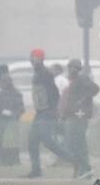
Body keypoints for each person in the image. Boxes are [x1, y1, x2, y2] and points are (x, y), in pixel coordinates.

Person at [26, 49, 73, 177]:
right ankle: (36, 170)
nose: (31, 60)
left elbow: (54, 93)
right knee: (32, 141)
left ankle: (74, 160)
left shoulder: (45, 74)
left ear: (40, 59)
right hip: (40, 112)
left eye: (34, 57)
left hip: (46, 112)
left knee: (47, 140)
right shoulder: (37, 73)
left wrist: (53, 110)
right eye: (31, 57)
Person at [60, 59, 98, 179]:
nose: (73, 69)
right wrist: (64, 115)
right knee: (74, 144)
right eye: (71, 67)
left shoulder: (82, 79)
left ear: (79, 69)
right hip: (71, 115)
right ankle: (79, 169)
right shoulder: (72, 80)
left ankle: (85, 168)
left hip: (79, 116)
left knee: (78, 143)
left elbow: (95, 89)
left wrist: (83, 100)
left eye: (76, 67)